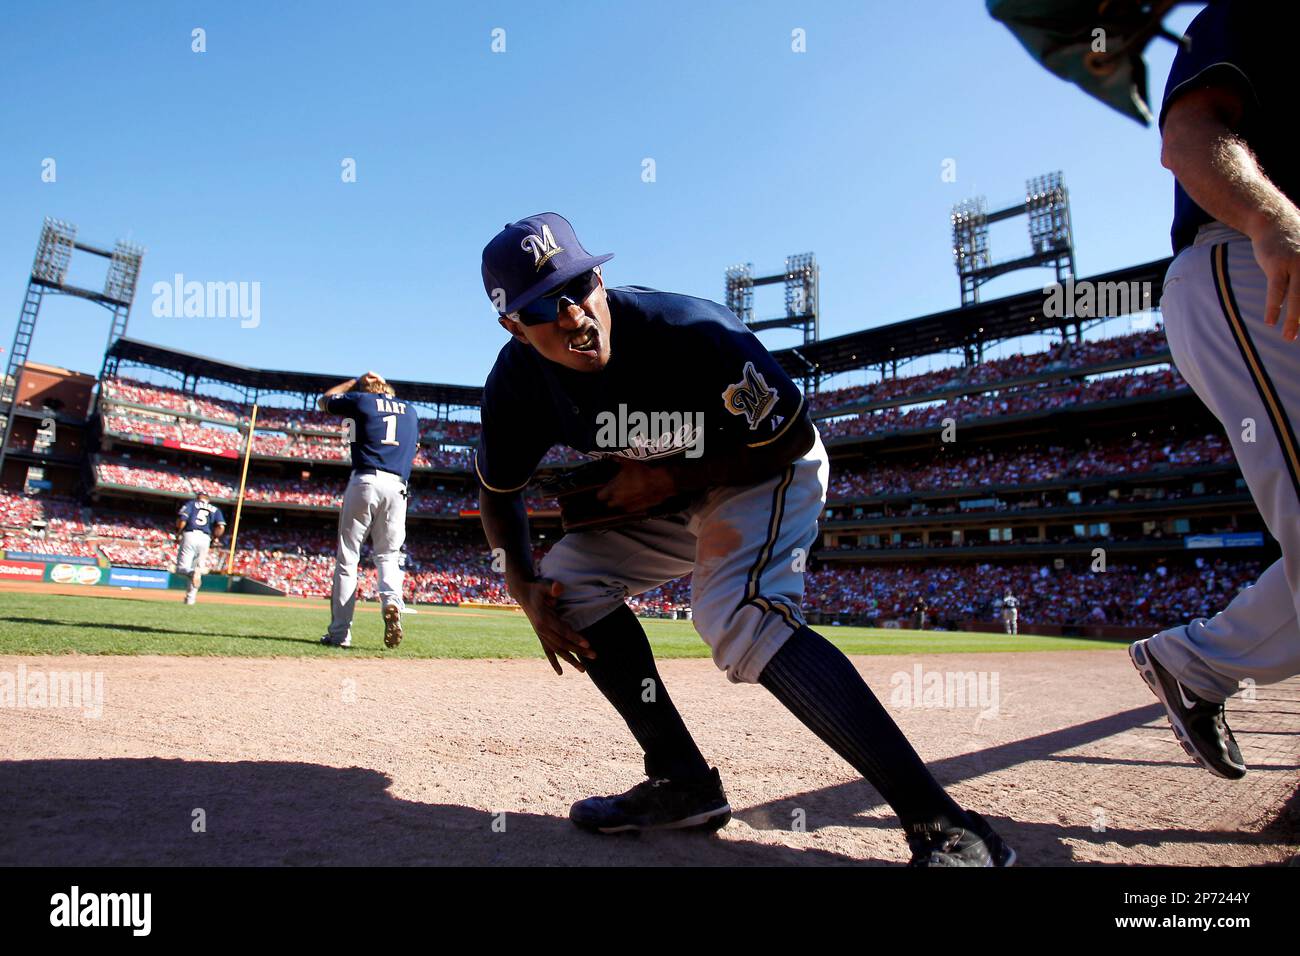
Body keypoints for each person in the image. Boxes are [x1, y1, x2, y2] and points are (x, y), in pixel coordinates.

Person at [475, 212, 1015, 865]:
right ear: (512, 326)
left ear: (601, 275)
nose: (571, 314)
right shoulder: (518, 383)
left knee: (735, 613)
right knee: (565, 589)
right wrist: (521, 583)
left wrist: (669, 477)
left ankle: (946, 826)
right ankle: (681, 782)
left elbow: (784, 438)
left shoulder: (689, 331)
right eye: (542, 306)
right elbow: (498, 492)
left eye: (579, 284)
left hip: (764, 468)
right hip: (667, 492)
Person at [1129, 0, 1300, 780]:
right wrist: (1269, 217)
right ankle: (1199, 661)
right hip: (1249, 262)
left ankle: (1197, 662)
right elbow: (1189, 137)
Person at [318, 371, 419, 649]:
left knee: (349, 558)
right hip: (399, 486)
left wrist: (352, 382)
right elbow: (415, 448)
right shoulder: (411, 412)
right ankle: (391, 602)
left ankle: (340, 634)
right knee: (388, 555)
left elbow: (324, 401)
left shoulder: (362, 401)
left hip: (366, 479)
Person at [175, 491, 224, 605]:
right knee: (198, 569)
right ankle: (190, 600)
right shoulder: (214, 508)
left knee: (181, 569)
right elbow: (221, 526)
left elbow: (183, 519)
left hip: (190, 534)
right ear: (208, 499)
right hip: (205, 538)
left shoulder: (192, 504)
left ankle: (192, 573)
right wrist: (215, 538)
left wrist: (178, 532)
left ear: (198, 498)